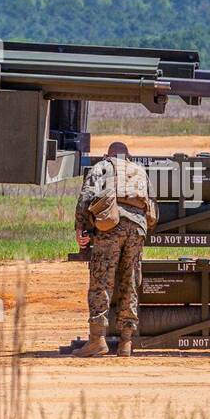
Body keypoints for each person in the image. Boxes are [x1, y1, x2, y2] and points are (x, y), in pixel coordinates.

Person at [70, 141, 155, 358]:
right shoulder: (139, 170)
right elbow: (152, 205)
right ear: (128, 156)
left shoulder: (102, 167)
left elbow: (86, 198)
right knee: (130, 281)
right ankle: (126, 341)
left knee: (101, 281)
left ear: (107, 155)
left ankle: (97, 340)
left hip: (111, 225)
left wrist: (80, 228)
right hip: (137, 228)